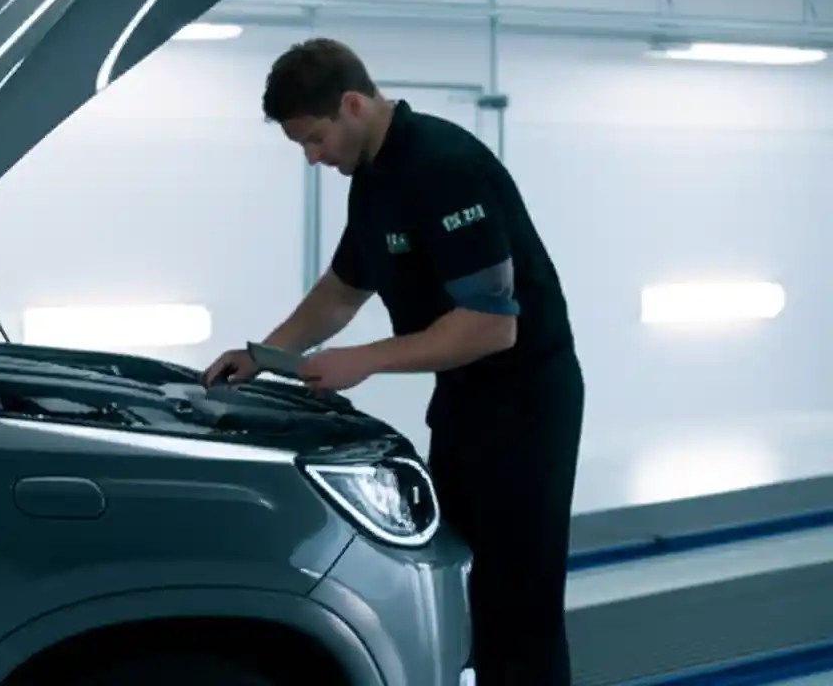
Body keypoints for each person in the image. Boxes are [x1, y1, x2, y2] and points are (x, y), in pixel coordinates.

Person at [201, 37, 585, 686]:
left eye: (314, 139)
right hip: (466, 400)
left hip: (528, 407)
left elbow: (492, 327)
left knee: (517, 602)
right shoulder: (374, 180)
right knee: (460, 581)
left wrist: (366, 361)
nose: (313, 158)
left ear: (352, 104)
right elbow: (343, 289)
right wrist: (265, 355)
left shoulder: (445, 165)